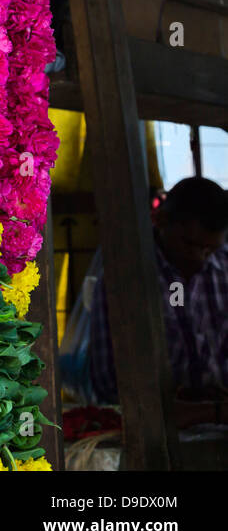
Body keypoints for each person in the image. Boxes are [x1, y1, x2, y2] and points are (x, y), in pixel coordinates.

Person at [61, 176, 228, 422]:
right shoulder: (124, 277)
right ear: (159, 220)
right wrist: (180, 410)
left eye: (209, 249)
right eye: (190, 244)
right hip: (152, 425)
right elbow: (110, 383)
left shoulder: (223, 266)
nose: (200, 257)